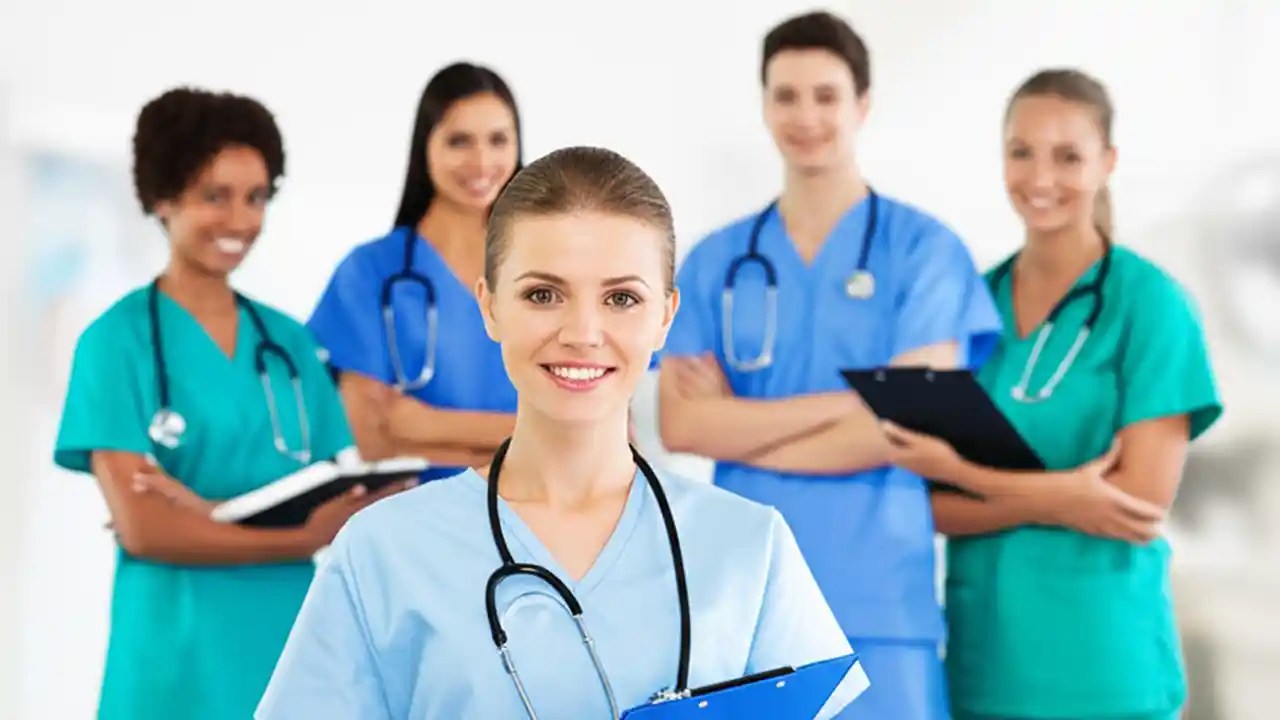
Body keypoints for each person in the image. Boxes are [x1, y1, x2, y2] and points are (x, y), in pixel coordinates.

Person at [255, 146, 867, 719]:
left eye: (622, 298)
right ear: (491, 306)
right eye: (544, 294)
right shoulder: (383, 550)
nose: (582, 331)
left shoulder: (747, 548)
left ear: (666, 317)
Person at [656, 11, 1000, 719]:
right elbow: (682, 425)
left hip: (882, 602)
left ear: (862, 105)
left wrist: (740, 423)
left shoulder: (923, 250)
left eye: (826, 95)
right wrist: (858, 401)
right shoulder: (718, 259)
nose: (805, 116)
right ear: (763, 106)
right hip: (748, 600)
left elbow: (906, 425)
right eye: (786, 96)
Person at [52, 87, 409, 720]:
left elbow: (339, 488)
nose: (240, 221)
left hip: (288, 652)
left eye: (257, 197)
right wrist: (301, 537)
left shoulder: (288, 343)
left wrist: (210, 512)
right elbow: (145, 528)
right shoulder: (115, 343)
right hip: (172, 660)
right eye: (214, 196)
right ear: (162, 197)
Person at [878, 69, 1223, 720]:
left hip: (1105, 665)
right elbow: (928, 509)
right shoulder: (969, 305)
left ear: (1108, 163)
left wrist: (964, 476)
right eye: (1021, 152)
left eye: (1068, 156)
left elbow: (1140, 502)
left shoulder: (1150, 306)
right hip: (989, 663)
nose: (1040, 179)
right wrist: (1068, 496)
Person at [306, 61, 524, 481]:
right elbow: (371, 440)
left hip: (538, 523)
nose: (482, 161)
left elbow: (606, 430)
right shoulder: (371, 273)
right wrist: (535, 438)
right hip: (414, 524)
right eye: (459, 141)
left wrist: (419, 422)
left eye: (498, 140)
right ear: (426, 146)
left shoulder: (548, 267)